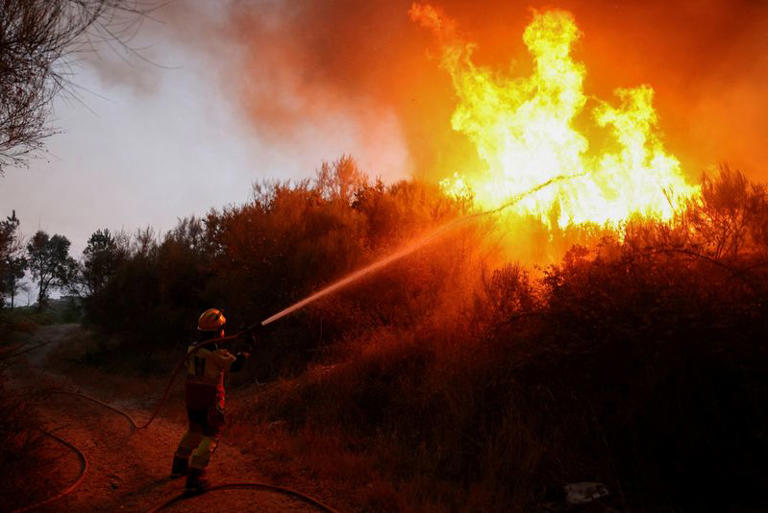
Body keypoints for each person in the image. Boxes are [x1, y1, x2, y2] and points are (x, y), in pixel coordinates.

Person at [171, 308, 250, 493]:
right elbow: (235, 365)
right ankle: (195, 476)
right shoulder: (216, 353)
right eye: (222, 328)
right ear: (217, 331)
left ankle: (179, 464)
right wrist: (246, 350)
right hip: (209, 398)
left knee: (194, 429)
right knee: (211, 434)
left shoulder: (192, 348)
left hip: (192, 397)